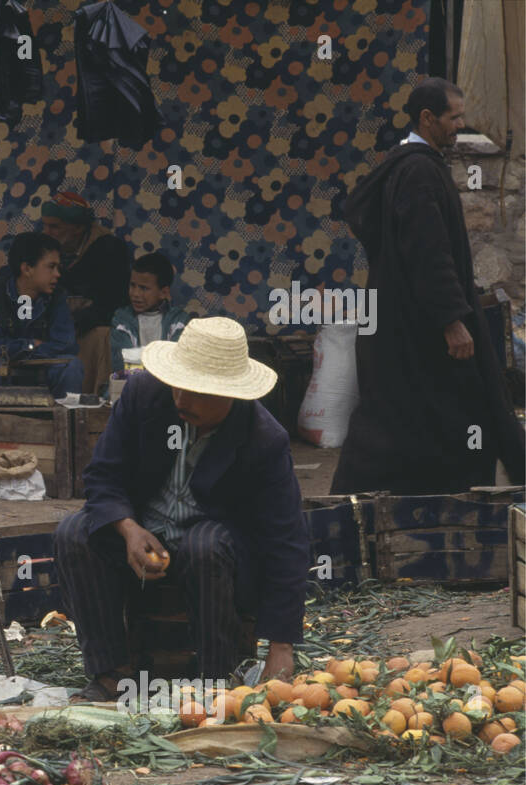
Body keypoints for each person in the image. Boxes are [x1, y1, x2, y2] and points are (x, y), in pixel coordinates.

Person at [54, 318, 310, 700]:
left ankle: (216, 679)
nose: (181, 400)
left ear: (231, 395)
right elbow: (102, 476)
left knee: (203, 543)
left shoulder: (263, 439)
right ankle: (112, 674)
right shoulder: (144, 396)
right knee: (74, 531)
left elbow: (286, 540)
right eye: (179, 386)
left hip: (216, 554)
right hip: (143, 537)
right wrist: (128, 529)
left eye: (198, 393)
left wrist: (281, 647)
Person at [332, 77, 525, 495]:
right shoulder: (417, 171)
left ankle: (438, 497)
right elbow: (428, 252)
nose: (460, 125)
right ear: (427, 118)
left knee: (416, 414)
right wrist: (452, 319)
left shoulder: (416, 165)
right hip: (422, 326)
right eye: (454, 118)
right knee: (449, 407)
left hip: (406, 324)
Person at [0, 232, 84, 397]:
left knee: (71, 365)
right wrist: (29, 345)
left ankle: (66, 421)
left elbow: (66, 344)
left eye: (58, 267)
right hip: (6, 369)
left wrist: (24, 351)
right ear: (27, 268)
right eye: (51, 267)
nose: (57, 274)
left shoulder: (57, 297)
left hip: (44, 370)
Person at [40, 191, 130, 394]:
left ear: (78, 228)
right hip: (56, 330)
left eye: (54, 226)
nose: (46, 232)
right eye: (44, 225)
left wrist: (71, 324)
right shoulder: (46, 250)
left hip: (89, 331)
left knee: (102, 336)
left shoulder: (109, 250)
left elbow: (111, 305)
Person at [108, 251, 191, 380]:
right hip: (130, 385)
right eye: (132, 285)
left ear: (163, 292)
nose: (135, 294)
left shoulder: (179, 321)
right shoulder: (121, 320)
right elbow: (124, 363)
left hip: (167, 387)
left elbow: (176, 363)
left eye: (144, 288)